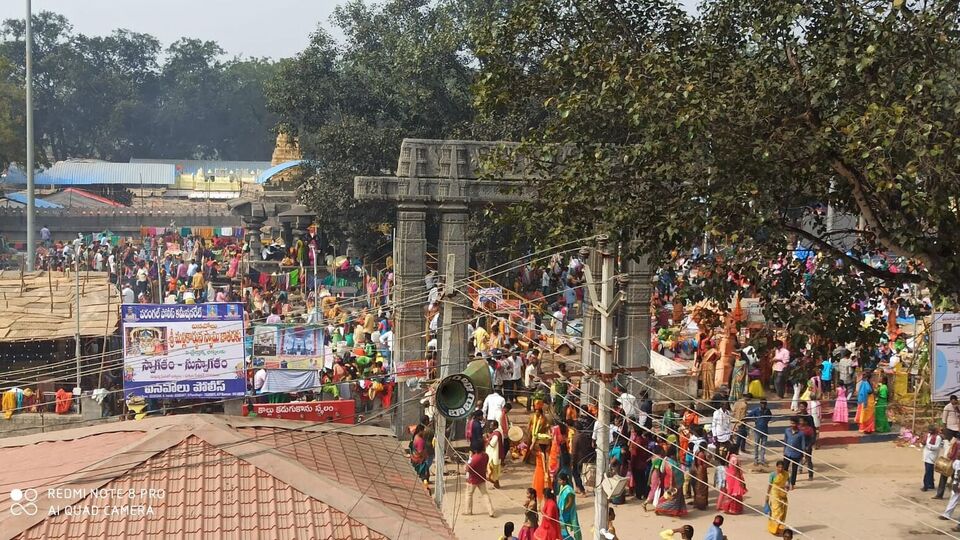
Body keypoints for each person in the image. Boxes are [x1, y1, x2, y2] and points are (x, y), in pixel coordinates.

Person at [655, 446, 688, 517]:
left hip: (673, 482)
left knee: (675, 498)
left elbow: (662, 470)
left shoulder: (667, 460)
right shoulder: (671, 461)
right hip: (674, 483)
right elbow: (663, 470)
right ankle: (659, 508)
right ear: (673, 454)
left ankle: (677, 511)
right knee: (671, 499)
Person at [464, 447, 495, 517]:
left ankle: (468, 511)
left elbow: (467, 468)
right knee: (485, 494)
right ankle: (491, 511)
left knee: (469, 494)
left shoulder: (474, 458)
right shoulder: (486, 455)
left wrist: (470, 458)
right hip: (481, 478)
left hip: (473, 479)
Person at [717, 449, 747, 514]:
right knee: (735, 492)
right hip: (734, 477)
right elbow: (736, 468)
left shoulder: (729, 456)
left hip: (729, 476)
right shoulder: (735, 458)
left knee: (730, 492)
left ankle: (727, 508)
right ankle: (734, 509)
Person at [766, 460, 790, 536]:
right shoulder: (772, 475)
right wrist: (767, 495)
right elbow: (770, 485)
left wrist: (787, 487)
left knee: (783, 510)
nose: (780, 469)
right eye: (779, 467)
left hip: (782, 493)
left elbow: (788, 483)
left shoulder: (786, 474)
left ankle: (779, 528)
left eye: (782, 467)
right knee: (776, 510)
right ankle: (773, 528)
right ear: (776, 467)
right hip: (775, 492)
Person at [782, 417, 807, 489]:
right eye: (791, 423)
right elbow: (785, 441)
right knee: (785, 468)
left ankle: (792, 484)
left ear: (797, 424)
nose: (792, 425)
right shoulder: (787, 431)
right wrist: (784, 450)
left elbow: (803, 444)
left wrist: (803, 455)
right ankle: (786, 482)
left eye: (793, 423)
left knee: (794, 469)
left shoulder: (801, 433)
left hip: (796, 453)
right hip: (787, 452)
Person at [556, 472, 581, 540]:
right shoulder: (562, 487)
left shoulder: (569, 490)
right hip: (562, 511)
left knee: (575, 527)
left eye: (560, 480)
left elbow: (570, 503)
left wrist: (563, 509)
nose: (558, 482)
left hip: (568, 512)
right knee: (562, 528)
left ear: (564, 481)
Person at [747, 398, 772, 465]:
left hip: (765, 430)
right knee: (756, 446)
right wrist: (754, 419)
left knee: (763, 446)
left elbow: (770, 416)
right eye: (762, 403)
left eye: (765, 403)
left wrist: (766, 421)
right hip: (757, 430)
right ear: (760, 403)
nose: (763, 405)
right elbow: (749, 415)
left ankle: (762, 460)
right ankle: (756, 459)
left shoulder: (768, 410)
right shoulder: (756, 410)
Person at [691, 439, 710, 510]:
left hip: (697, 470)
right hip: (701, 471)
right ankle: (701, 505)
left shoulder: (697, 452)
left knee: (698, 487)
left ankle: (697, 503)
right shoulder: (701, 454)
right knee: (702, 488)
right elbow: (702, 464)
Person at [923, 425, 943, 492]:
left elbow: (936, 447)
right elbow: (925, 442)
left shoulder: (938, 437)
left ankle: (925, 485)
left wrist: (928, 445)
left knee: (928, 471)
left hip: (932, 455)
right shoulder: (928, 435)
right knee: (929, 470)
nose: (929, 432)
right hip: (926, 455)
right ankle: (931, 484)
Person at [486, 420, 504, 489]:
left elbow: (493, 444)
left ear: (495, 426)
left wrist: (487, 439)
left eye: (492, 425)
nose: (490, 426)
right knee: (495, 471)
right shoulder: (498, 432)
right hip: (495, 454)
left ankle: (495, 484)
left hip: (494, 455)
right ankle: (496, 484)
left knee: (493, 470)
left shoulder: (496, 434)